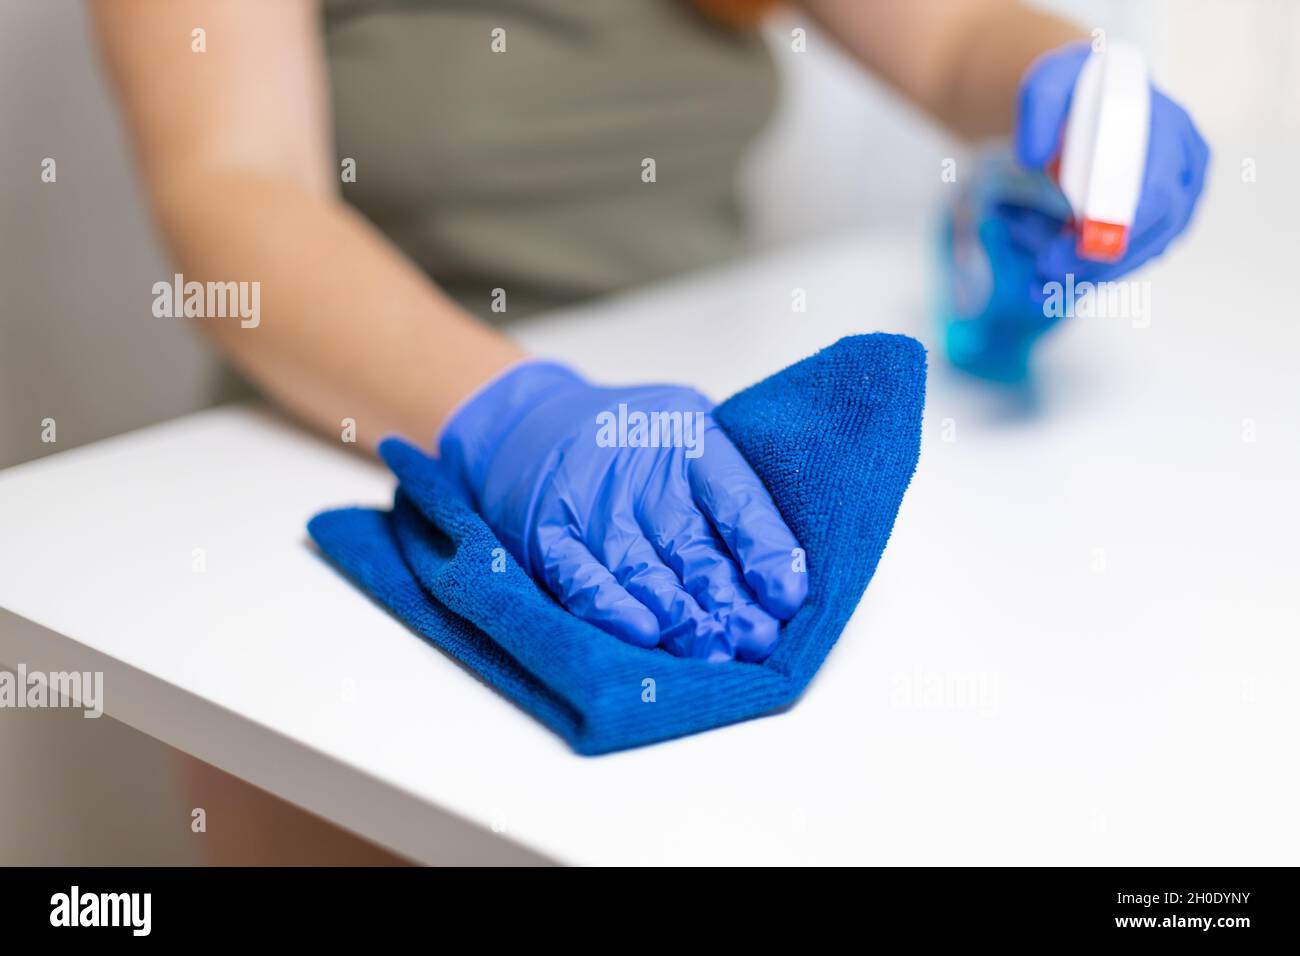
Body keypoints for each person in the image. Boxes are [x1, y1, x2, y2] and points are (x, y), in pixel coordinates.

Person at [94, 0, 1206, 662]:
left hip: (699, 448)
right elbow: (233, 191)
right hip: (339, 450)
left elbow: (953, 33)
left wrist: (1073, 96)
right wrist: (518, 420)